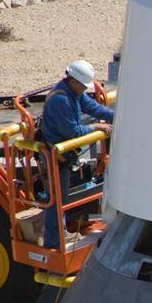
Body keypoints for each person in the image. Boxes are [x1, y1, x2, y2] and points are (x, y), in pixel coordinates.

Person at [40, 60, 114, 248]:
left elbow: (94, 108)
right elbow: (72, 131)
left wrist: (118, 115)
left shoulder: (73, 92)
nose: (84, 89)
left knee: (60, 198)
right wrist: (96, 126)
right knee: (57, 200)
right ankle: (55, 242)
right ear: (73, 80)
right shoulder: (61, 100)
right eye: (83, 85)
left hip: (63, 154)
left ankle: (60, 235)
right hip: (54, 155)